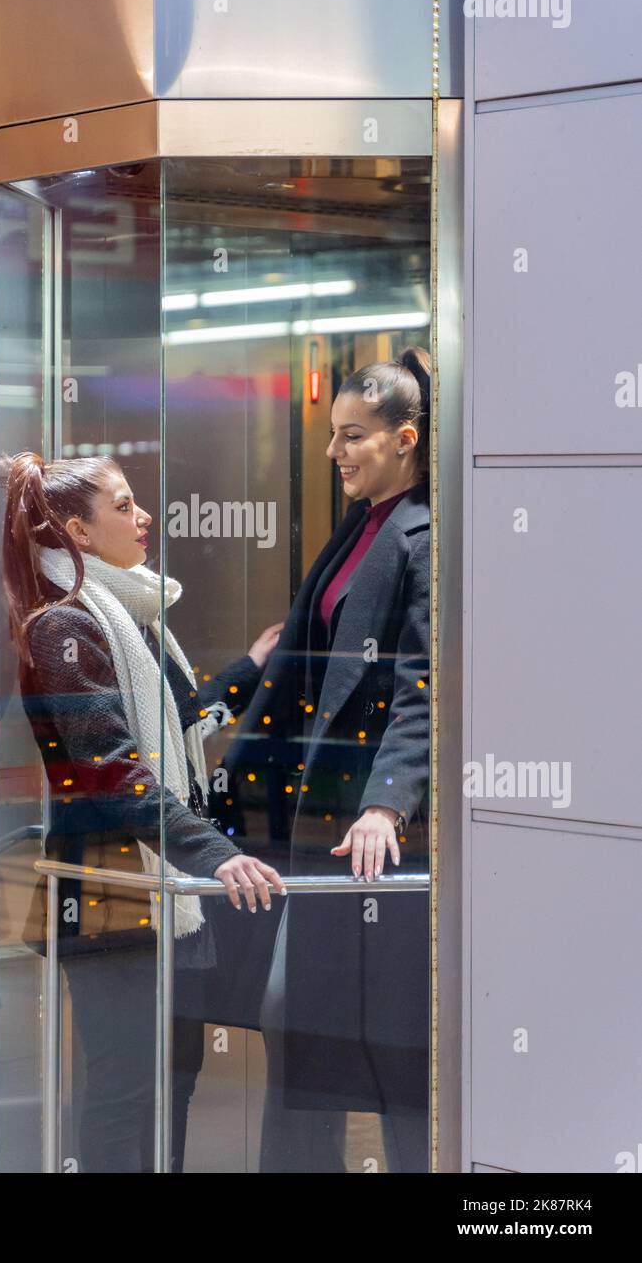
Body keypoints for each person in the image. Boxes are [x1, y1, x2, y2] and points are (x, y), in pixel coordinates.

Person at [1, 451, 284, 1172]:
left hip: (158, 892)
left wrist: (248, 671)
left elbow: (176, 721)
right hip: (112, 894)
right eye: (123, 505)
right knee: (123, 1088)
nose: (144, 516)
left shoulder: (134, 617)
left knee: (170, 1080)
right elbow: (114, 770)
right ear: (78, 532)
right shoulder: (63, 627)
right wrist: (215, 854)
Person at [221, 346, 431, 1173]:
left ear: (405, 439)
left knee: (389, 1046)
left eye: (355, 436)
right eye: (332, 435)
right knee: (302, 1030)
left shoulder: (419, 533)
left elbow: (423, 683)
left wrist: (387, 801)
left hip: (363, 834)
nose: (336, 452)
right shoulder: (361, 526)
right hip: (311, 823)